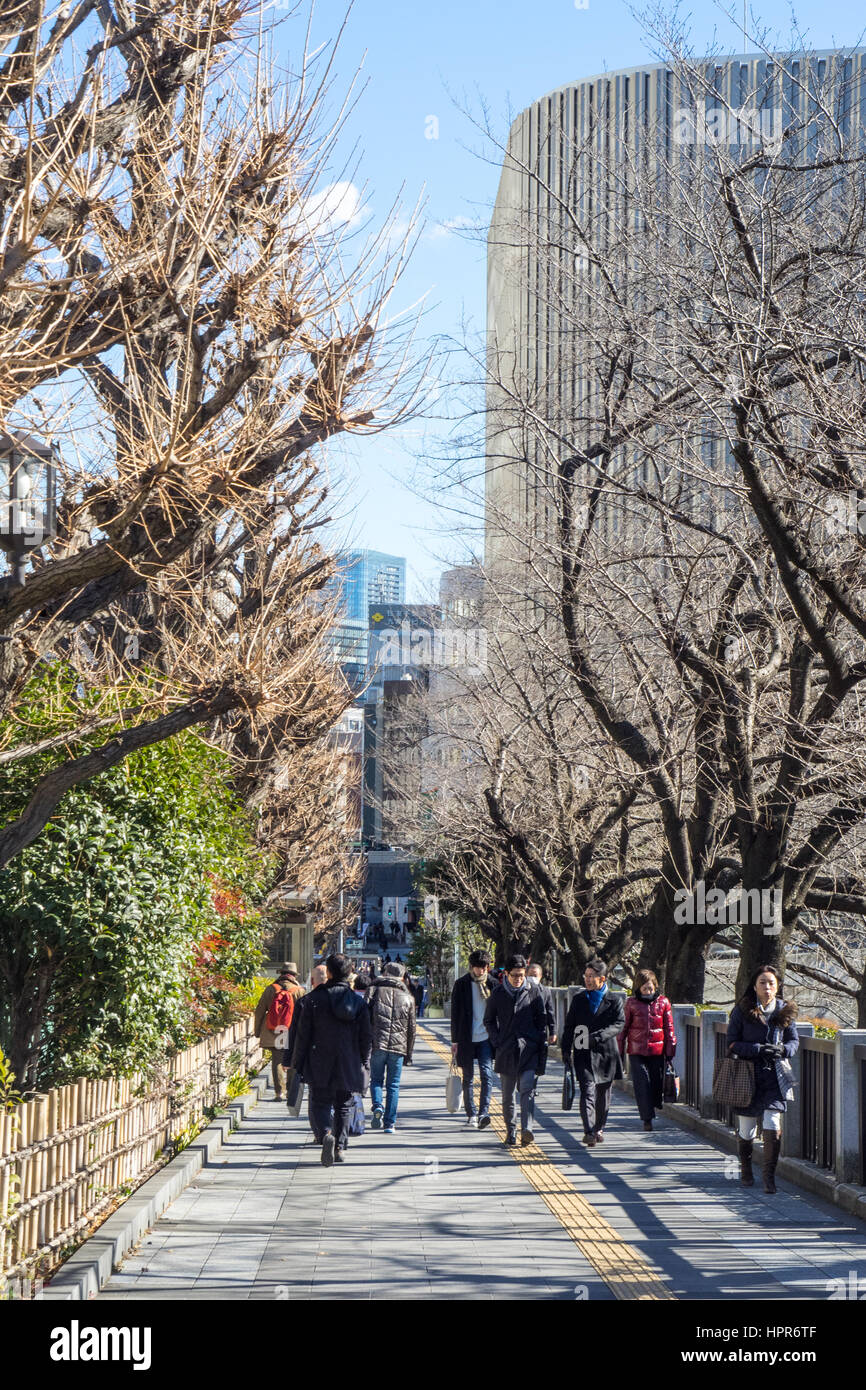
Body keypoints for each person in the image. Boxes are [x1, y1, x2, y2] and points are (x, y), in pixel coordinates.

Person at [291, 953, 372, 1166]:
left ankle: (326, 1132)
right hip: (349, 1060)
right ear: (350, 972)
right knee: (344, 1104)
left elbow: (302, 1036)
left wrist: (297, 1063)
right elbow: (366, 1037)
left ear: (328, 972)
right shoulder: (358, 1002)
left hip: (319, 1059)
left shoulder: (312, 1001)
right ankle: (339, 1147)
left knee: (320, 1102)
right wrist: (365, 1061)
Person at [727, 964, 798, 1193]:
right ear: (754, 986)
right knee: (746, 1129)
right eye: (762, 983)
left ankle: (769, 1177)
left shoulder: (784, 1010)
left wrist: (784, 1050)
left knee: (773, 1123)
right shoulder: (742, 1010)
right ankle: (746, 1168)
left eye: (771, 983)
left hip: (775, 1076)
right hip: (748, 1075)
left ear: (778, 986)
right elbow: (732, 1043)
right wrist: (757, 1049)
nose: (767, 988)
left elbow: (794, 1042)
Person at [484, 954, 547, 1146]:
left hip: (529, 1049)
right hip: (506, 1050)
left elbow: (542, 1020)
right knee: (508, 1095)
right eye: (515, 975)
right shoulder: (498, 994)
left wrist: (538, 1040)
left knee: (527, 1090)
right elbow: (488, 1020)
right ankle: (511, 1130)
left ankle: (527, 1129)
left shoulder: (534, 991)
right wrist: (497, 1041)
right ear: (506, 975)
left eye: (521, 975)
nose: (519, 979)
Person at [561, 959, 624, 1147]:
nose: (587, 980)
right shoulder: (579, 999)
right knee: (587, 1090)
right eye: (586, 976)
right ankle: (588, 1131)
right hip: (582, 1051)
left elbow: (619, 1024)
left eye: (591, 977)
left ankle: (598, 1128)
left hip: (606, 1053)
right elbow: (570, 1026)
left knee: (603, 1095)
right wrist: (565, 1049)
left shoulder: (614, 1000)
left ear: (602, 978)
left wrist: (598, 1036)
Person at [617, 970, 676, 1131]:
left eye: (650, 988)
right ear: (638, 988)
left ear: (655, 986)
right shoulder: (631, 1003)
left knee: (656, 1084)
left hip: (657, 1050)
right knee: (642, 1083)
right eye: (644, 989)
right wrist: (620, 1050)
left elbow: (669, 1028)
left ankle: (655, 1104)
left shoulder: (663, 1002)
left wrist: (670, 1052)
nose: (648, 992)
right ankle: (647, 1118)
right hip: (637, 1050)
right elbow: (623, 1028)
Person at [367, 961, 416, 1133]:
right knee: (393, 1085)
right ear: (402, 977)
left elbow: (365, 1019)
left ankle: (377, 1105)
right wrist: (408, 1053)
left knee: (376, 1080)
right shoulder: (409, 998)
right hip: (399, 1047)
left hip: (377, 1044)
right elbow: (412, 1029)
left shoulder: (374, 991)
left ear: (385, 974)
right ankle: (390, 1124)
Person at [450, 948, 496, 1129]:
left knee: (487, 1074)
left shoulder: (493, 984)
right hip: (466, 1037)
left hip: (486, 1037)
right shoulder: (461, 984)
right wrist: (454, 1040)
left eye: (484, 967)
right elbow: (455, 1014)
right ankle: (471, 1113)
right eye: (478, 967)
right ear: (472, 967)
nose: (481, 970)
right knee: (468, 1077)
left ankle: (484, 1112)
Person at [254, 963, 304, 1101]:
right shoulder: (299, 991)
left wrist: (257, 1030)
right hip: (292, 1030)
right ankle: (290, 1091)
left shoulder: (271, 989)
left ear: (281, 974)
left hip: (274, 1030)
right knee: (293, 1060)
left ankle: (279, 1093)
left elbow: (259, 1010)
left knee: (277, 1060)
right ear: (294, 975)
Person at [526, 963, 557, 1044]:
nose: (532, 978)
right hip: (524, 1030)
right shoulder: (522, 990)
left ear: (540, 976)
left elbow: (550, 1012)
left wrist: (552, 1031)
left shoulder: (545, 991)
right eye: (530, 975)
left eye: (535, 976)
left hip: (540, 1030)